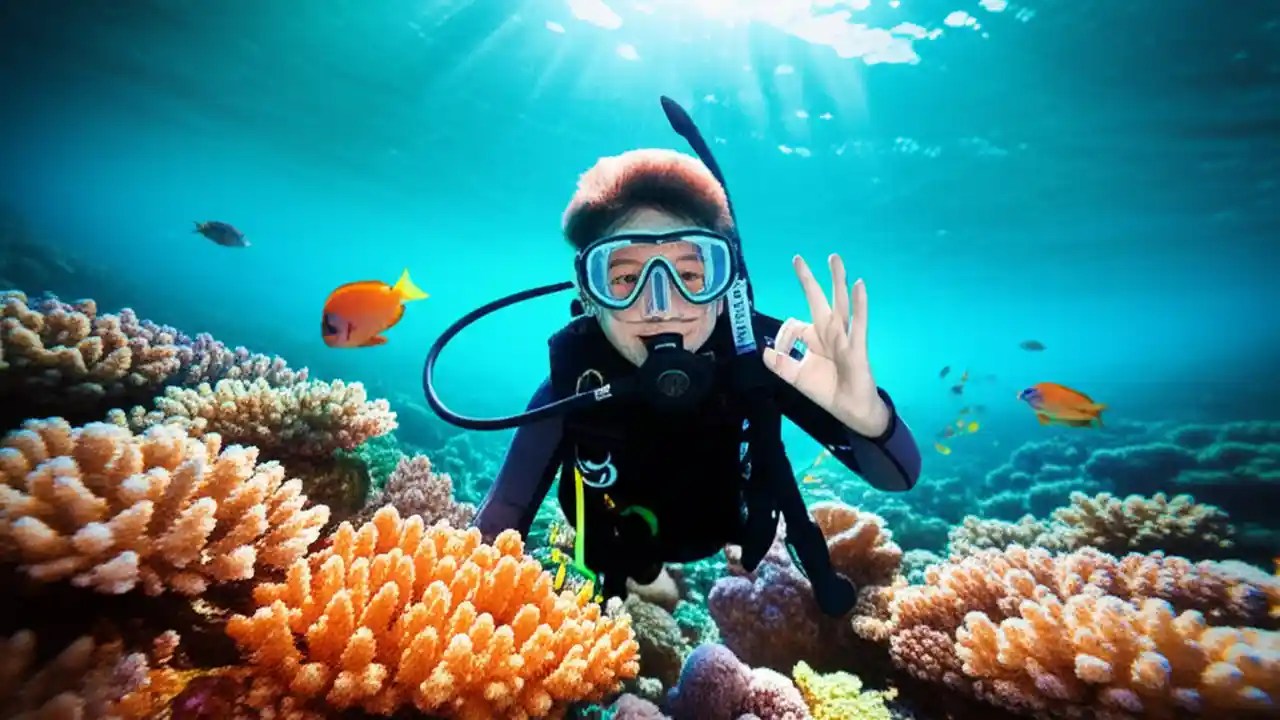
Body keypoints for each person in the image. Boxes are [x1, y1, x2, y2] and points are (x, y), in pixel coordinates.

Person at [422, 97, 921, 617]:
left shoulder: (764, 362)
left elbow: (899, 477)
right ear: (590, 295)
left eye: (689, 274)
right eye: (623, 278)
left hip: (726, 534)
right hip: (613, 552)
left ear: (724, 281)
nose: (661, 308)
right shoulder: (574, 388)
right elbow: (499, 520)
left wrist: (868, 417)